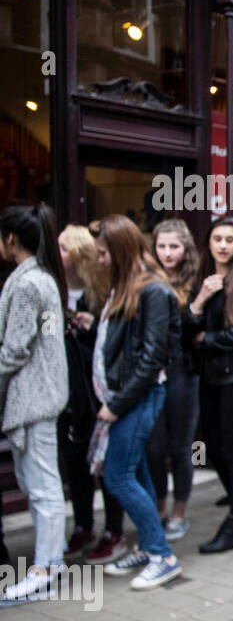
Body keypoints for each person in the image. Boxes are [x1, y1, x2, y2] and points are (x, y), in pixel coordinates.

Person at [89, 215, 182, 590]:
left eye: (102, 252)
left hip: (137, 397)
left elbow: (152, 358)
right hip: (126, 395)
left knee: (118, 476)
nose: (99, 259)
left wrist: (117, 404)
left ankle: (163, 555)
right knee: (136, 471)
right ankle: (149, 545)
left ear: (120, 250)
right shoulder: (126, 288)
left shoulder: (153, 292)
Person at [0, 205, 70, 601]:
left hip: (34, 399)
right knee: (40, 484)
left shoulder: (29, 284)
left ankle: (47, 569)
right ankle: (51, 564)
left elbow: (14, 349)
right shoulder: (42, 280)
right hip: (41, 396)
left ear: (11, 238)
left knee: (42, 487)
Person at [185, 219, 233, 553]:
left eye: (230, 239)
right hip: (209, 376)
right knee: (212, 448)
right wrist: (201, 298)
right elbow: (186, 329)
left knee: (230, 448)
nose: (223, 245)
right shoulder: (205, 280)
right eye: (217, 238)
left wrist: (207, 338)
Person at [57, 224, 122, 562]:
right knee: (75, 463)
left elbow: (114, 344)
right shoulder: (51, 290)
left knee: (105, 463)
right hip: (65, 394)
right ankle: (83, 524)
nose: (58, 254)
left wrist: (88, 327)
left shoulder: (100, 294)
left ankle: (114, 529)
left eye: (64, 249)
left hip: (96, 393)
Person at [145, 219, 201, 543]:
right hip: (152, 371)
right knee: (153, 447)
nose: (167, 253)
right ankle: (159, 507)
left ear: (185, 248)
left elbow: (193, 329)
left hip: (183, 369)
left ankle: (180, 511)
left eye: (174, 246)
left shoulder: (194, 282)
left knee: (182, 446)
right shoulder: (146, 279)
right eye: (162, 246)